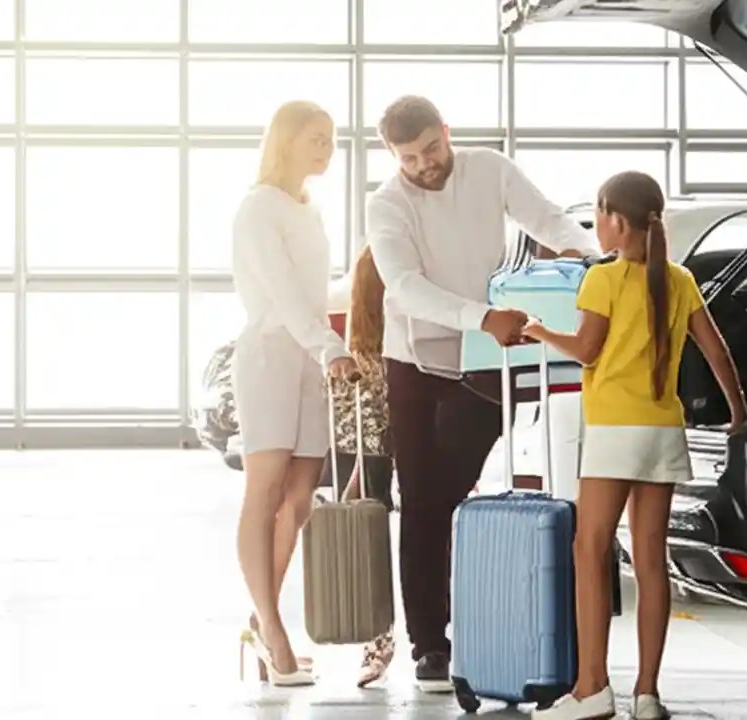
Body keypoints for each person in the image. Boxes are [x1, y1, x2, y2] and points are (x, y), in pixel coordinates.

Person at [364, 95, 598, 692]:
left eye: (431, 150)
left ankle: (492, 623)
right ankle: (429, 646)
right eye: (409, 158)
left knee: (450, 491)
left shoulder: (489, 169)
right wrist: (481, 314)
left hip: (485, 362)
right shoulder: (386, 203)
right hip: (414, 359)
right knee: (419, 501)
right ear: (395, 156)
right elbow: (405, 286)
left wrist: (588, 258)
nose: (423, 165)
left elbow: (546, 218)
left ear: (448, 133)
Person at [522, 171, 747, 720]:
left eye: (598, 217)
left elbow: (587, 351)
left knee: (590, 548)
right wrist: (739, 415)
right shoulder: (680, 279)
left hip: (615, 432)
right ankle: (647, 694)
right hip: (662, 431)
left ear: (616, 221)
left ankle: (591, 689)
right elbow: (716, 353)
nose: (595, 227)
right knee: (651, 560)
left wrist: (536, 329)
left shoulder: (603, 279)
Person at [231, 100, 359, 687]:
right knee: (266, 489)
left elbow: (314, 293)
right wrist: (329, 346)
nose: (326, 149)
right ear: (285, 140)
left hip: (312, 359)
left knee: (303, 496)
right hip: (271, 356)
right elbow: (283, 295)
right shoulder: (260, 207)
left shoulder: (310, 210)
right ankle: (273, 630)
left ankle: (262, 621)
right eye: (316, 138)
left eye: (331, 140)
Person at [327, 245, 396, 687]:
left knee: (371, 554)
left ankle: (378, 642)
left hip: (365, 471)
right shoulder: (398, 361)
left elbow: (348, 438)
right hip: (395, 461)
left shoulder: (354, 362)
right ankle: (435, 641)